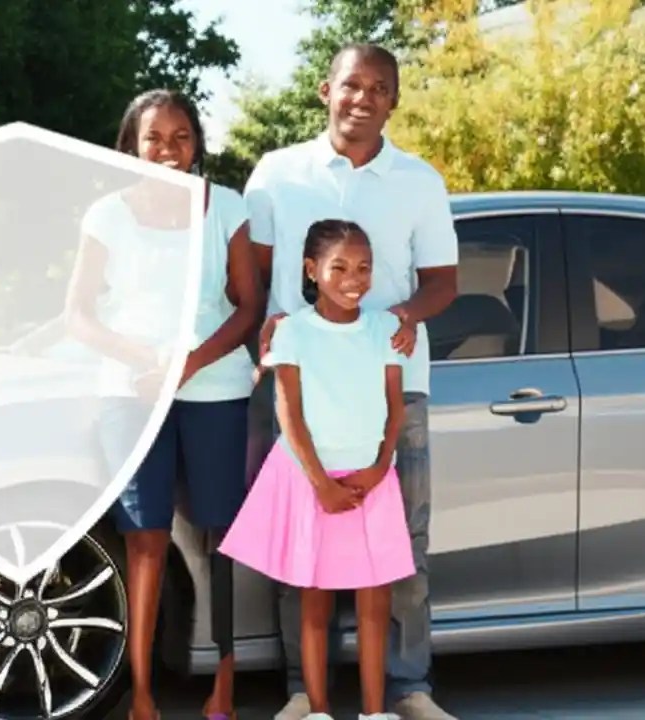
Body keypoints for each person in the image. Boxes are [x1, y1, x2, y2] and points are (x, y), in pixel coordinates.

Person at [242, 44, 460, 720]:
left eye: (379, 88)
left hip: (393, 387)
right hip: (300, 389)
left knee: (402, 549)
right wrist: (262, 333)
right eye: (351, 85)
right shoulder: (277, 174)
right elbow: (248, 276)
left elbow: (443, 283)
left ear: (394, 100)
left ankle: (406, 690)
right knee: (298, 542)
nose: (363, 98)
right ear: (324, 90)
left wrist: (402, 314)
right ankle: (305, 695)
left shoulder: (419, 180)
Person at [65, 88, 264, 720]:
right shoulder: (106, 215)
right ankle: (142, 695)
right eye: (155, 137)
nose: (169, 149)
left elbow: (248, 305)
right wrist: (141, 361)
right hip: (131, 393)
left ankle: (223, 688)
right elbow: (78, 314)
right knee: (145, 538)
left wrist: (189, 363)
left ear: (197, 144)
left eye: (182, 137)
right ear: (131, 145)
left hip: (216, 389)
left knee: (220, 535)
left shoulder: (226, 207)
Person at [220, 219, 416, 720]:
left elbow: (396, 408)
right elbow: (289, 414)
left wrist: (380, 465)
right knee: (315, 598)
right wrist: (322, 485)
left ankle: (375, 713)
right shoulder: (294, 333)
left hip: (373, 479)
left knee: (376, 602)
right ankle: (320, 711)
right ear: (312, 269)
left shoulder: (384, 330)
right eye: (340, 267)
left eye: (364, 267)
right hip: (313, 480)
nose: (354, 278)